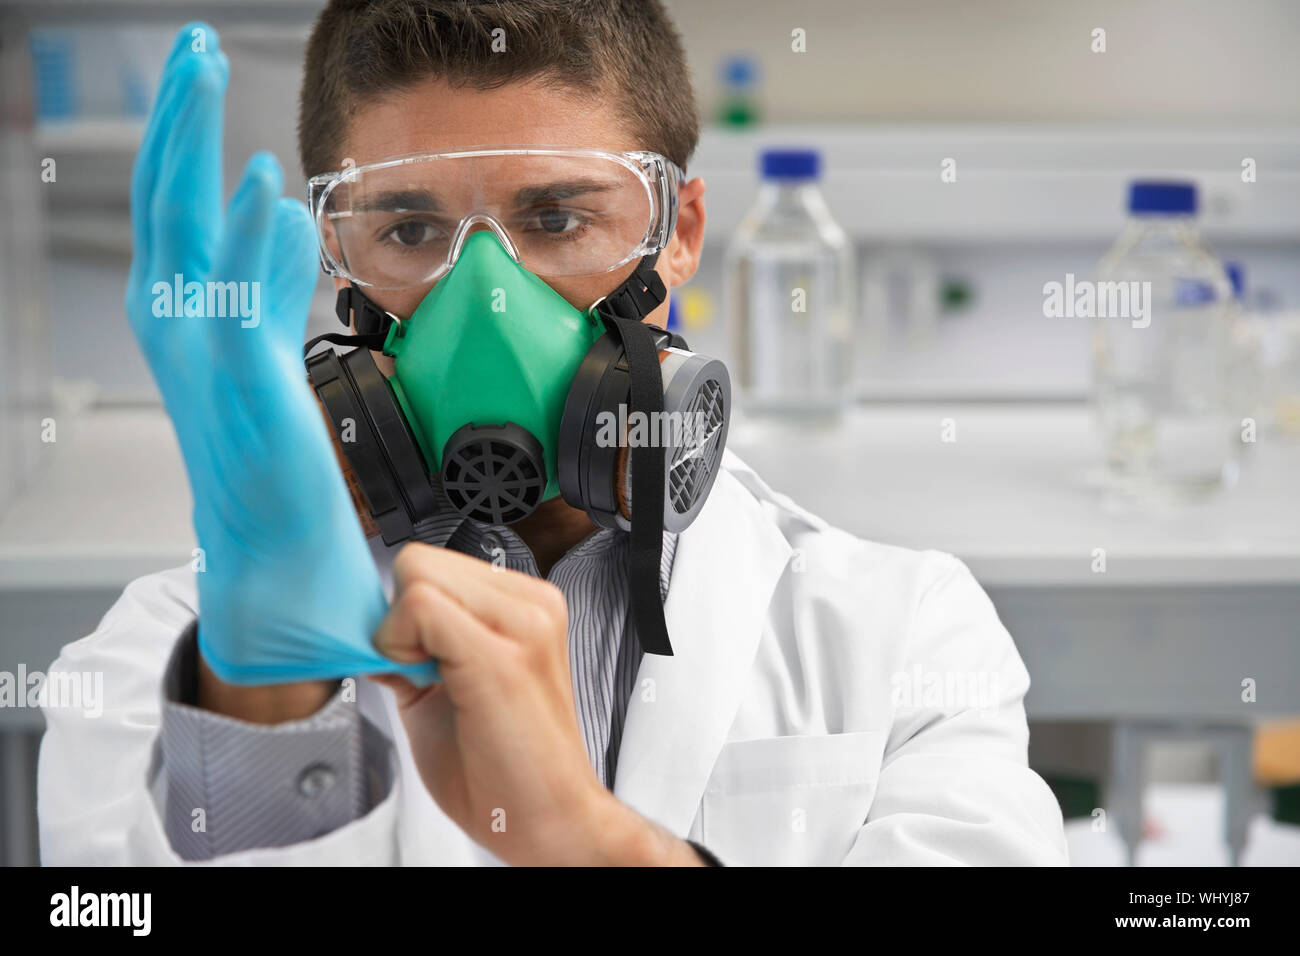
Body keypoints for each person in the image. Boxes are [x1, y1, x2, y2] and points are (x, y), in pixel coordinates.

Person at [38, 0, 1067, 866]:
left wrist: (586, 842)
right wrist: (259, 705)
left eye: (557, 219)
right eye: (407, 230)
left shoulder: (901, 634)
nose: (488, 304)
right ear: (338, 265)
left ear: (681, 234)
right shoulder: (168, 653)